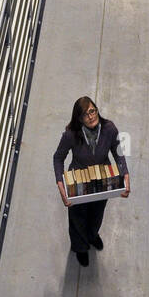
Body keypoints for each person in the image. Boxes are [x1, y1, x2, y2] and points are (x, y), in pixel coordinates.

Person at [53, 96, 130, 266]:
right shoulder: (71, 135)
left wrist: (125, 175)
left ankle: (92, 235)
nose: (91, 116)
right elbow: (58, 158)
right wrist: (60, 183)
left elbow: (118, 153)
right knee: (77, 216)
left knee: (97, 213)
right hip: (79, 179)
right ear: (79, 118)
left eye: (92, 111)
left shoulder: (110, 129)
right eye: (86, 114)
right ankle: (80, 247)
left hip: (102, 178)